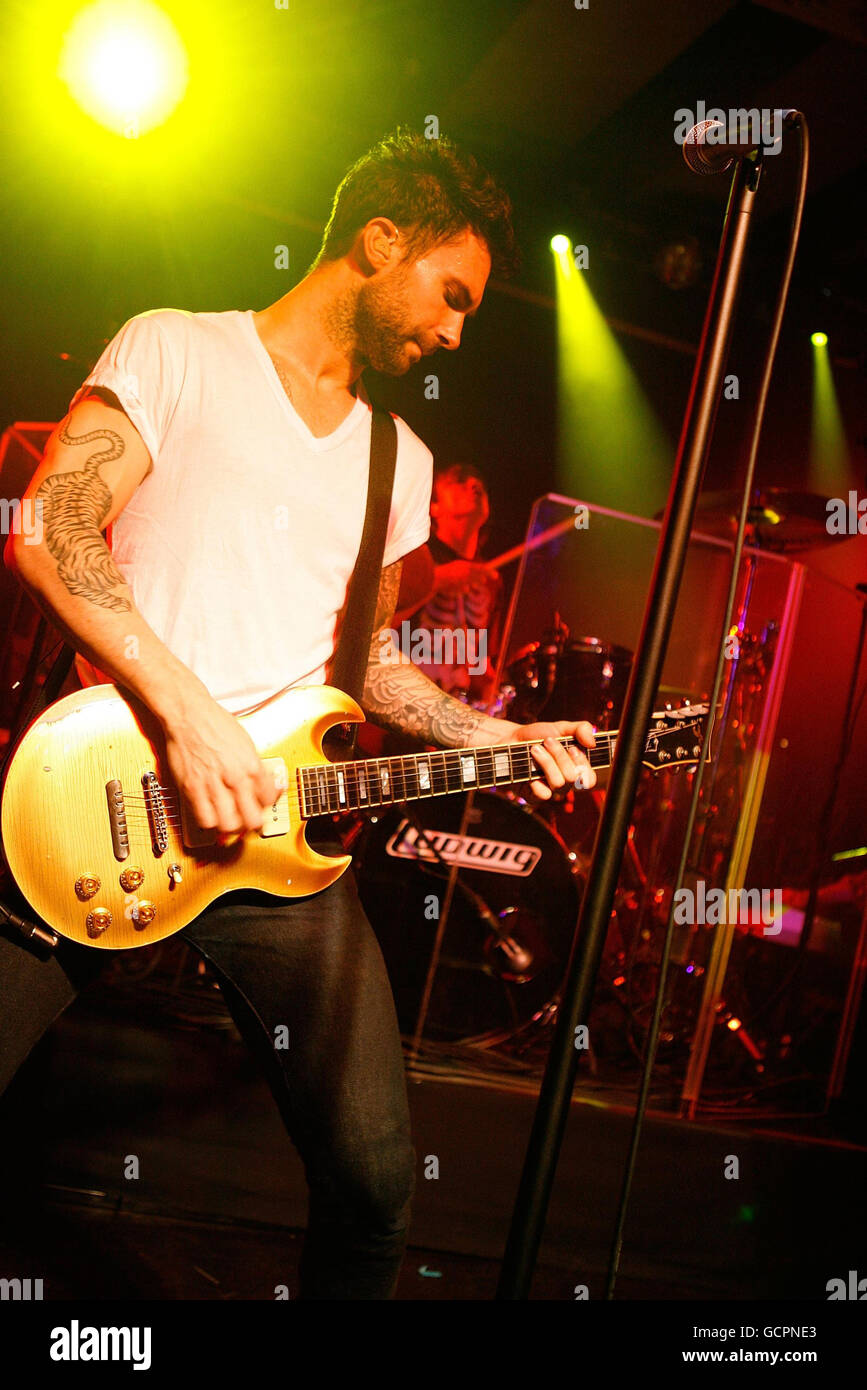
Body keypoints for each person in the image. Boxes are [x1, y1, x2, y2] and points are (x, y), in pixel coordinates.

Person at [1, 129, 596, 1300]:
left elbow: (368, 665)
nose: (457, 331)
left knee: (377, 1182)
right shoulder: (177, 349)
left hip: (276, 842)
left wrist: (497, 736)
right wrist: (185, 715)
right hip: (100, 801)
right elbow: (50, 529)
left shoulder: (400, 458)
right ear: (382, 241)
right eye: (452, 293)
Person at [395, 462, 502, 702]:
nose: (475, 485)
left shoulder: (490, 580)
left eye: (479, 484)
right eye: (459, 479)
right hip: (401, 705)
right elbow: (375, 630)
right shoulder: (413, 558)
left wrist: (491, 683)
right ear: (433, 506)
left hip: (457, 712)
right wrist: (437, 580)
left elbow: (479, 666)